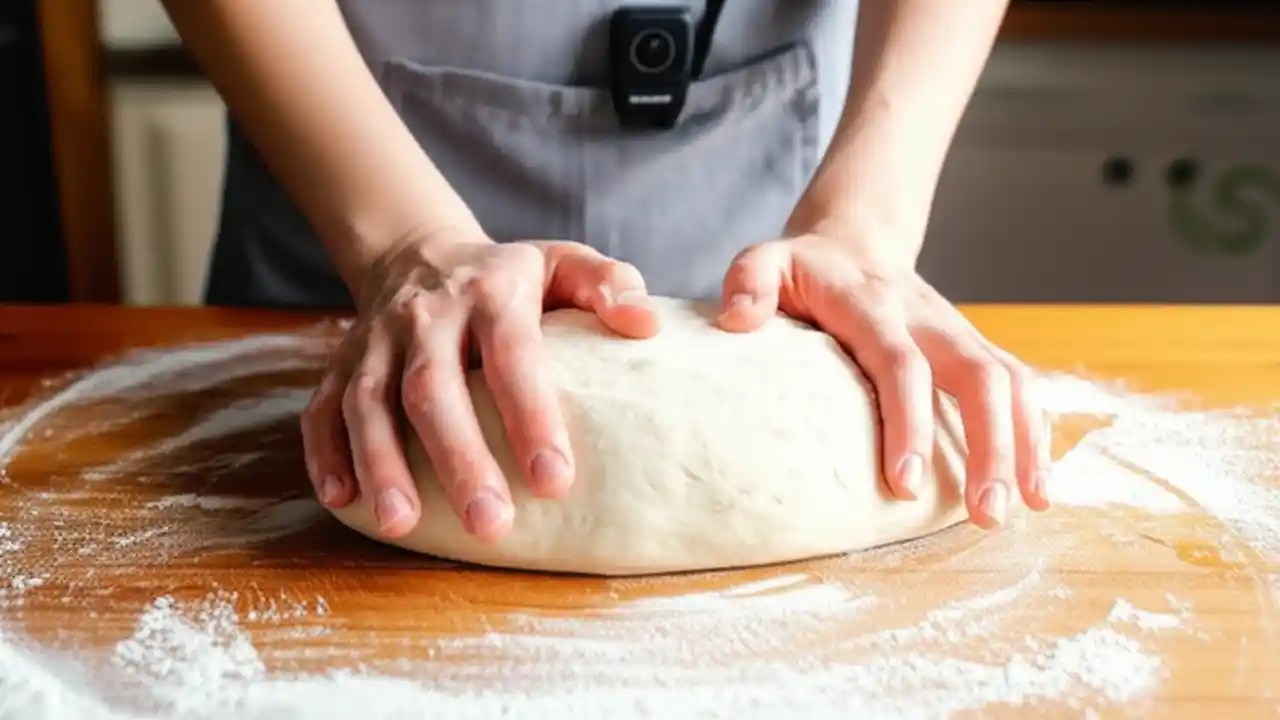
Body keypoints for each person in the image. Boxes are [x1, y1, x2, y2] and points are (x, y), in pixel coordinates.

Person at [162, 1, 1050, 546]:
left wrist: (868, 221)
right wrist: (400, 243)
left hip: (773, 210)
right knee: (388, 446)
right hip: (344, 177)